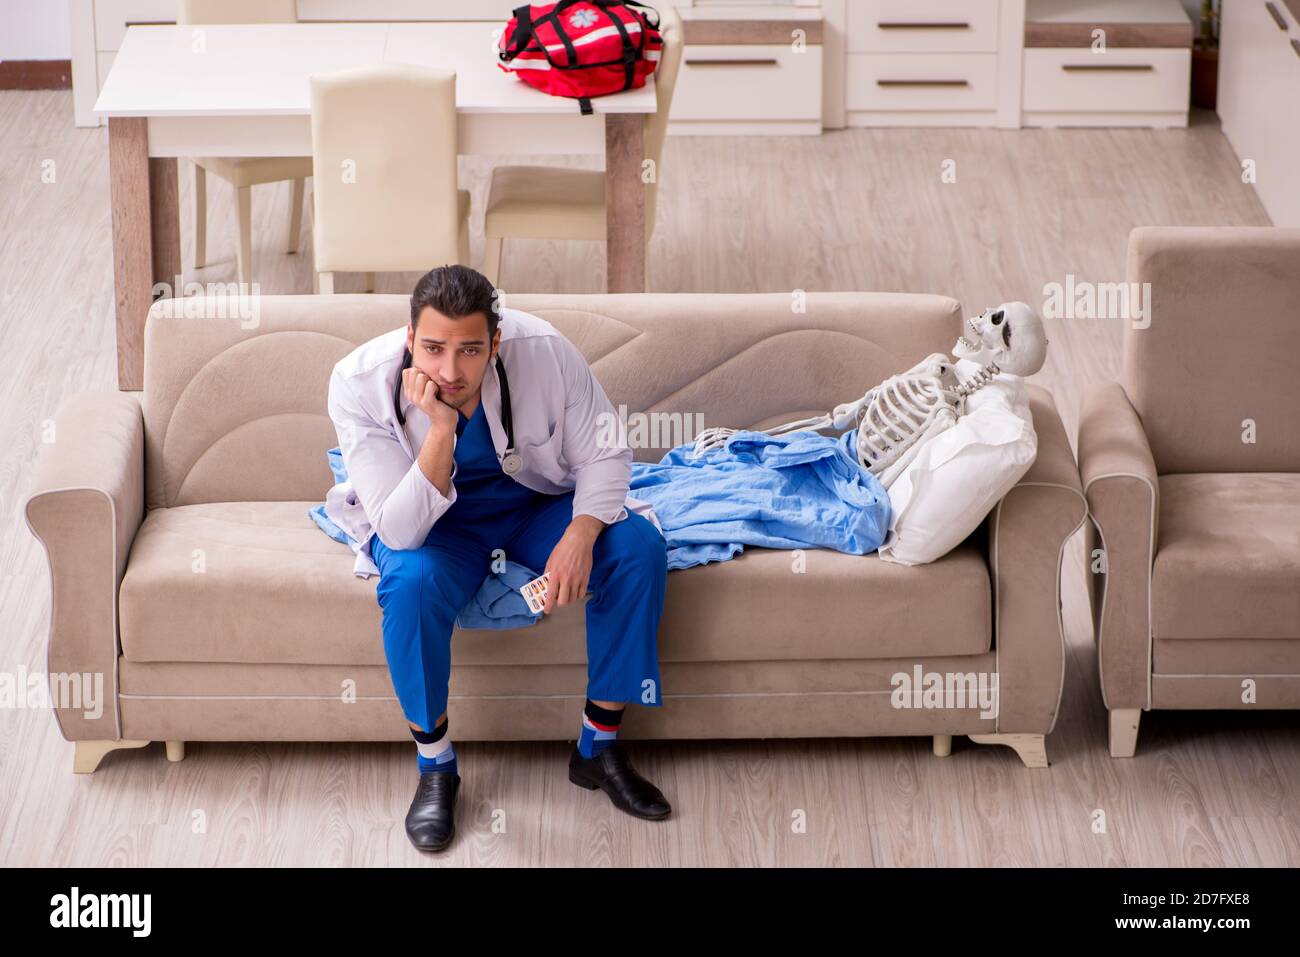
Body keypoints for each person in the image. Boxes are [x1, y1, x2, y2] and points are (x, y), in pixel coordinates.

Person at [325, 265, 671, 852]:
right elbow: (404, 531)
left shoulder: (547, 353)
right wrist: (440, 429)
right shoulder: (359, 383)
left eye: (469, 350)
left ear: (496, 343)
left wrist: (582, 533)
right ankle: (436, 767)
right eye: (433, 349)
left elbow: (606, 454)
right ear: (410, 339)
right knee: (408, 581)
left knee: (636, 546)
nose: (450, 371)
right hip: (438, 524)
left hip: (532, 507)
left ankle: (598, 747)